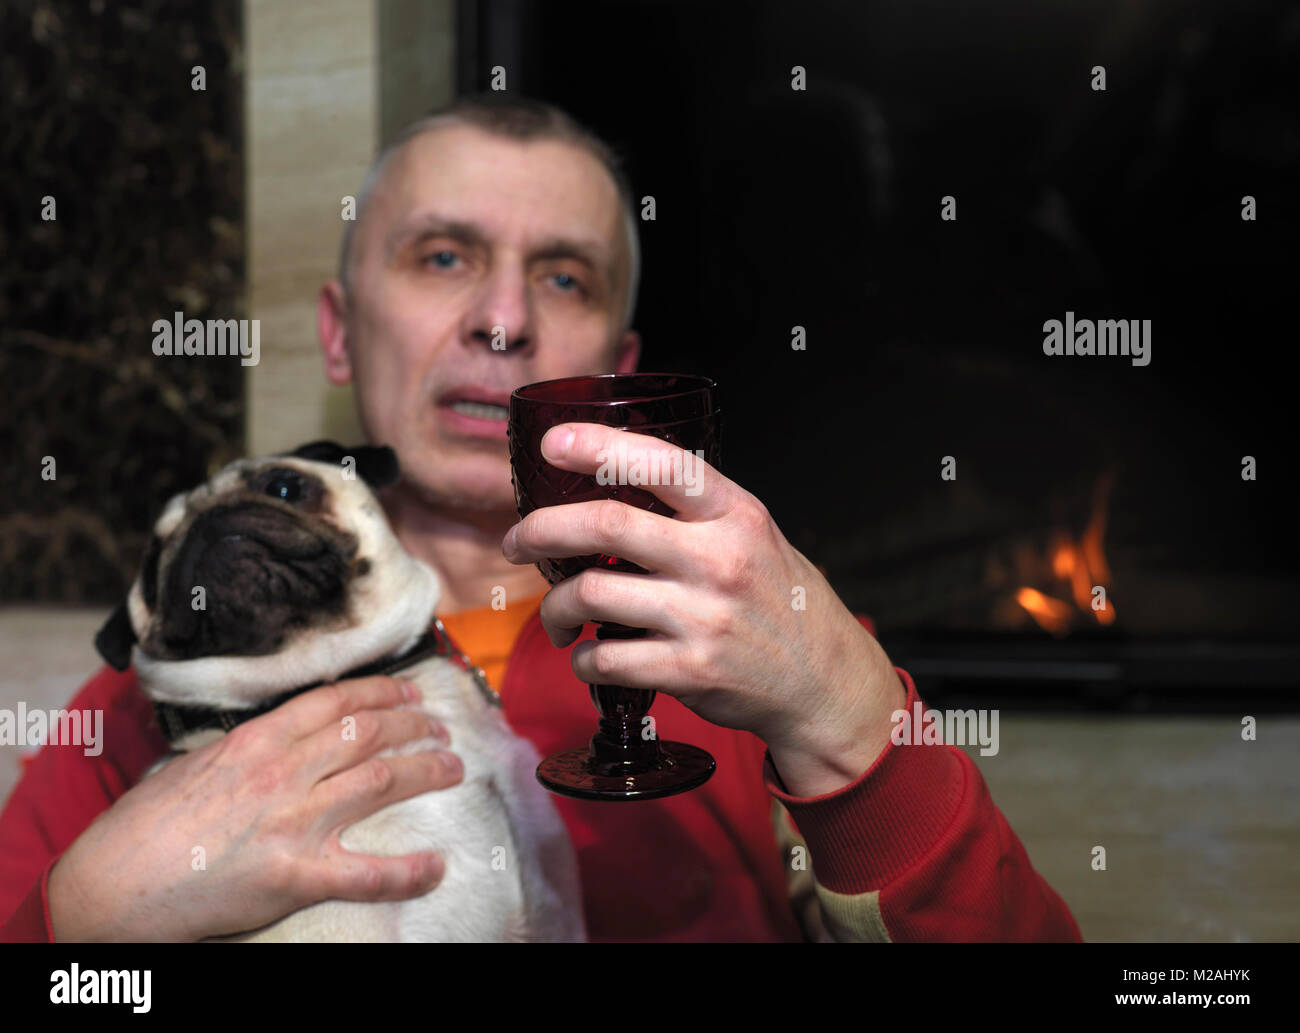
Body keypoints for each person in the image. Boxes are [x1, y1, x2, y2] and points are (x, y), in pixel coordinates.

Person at [0, 94, 1080, 942]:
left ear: (617, 370)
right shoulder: (176, 666)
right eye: (442, 256)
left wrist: (850, 717)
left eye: (562, 276)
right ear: (338, 334)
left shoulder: (752, 651)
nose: (505, 321)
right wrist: (86, 920)